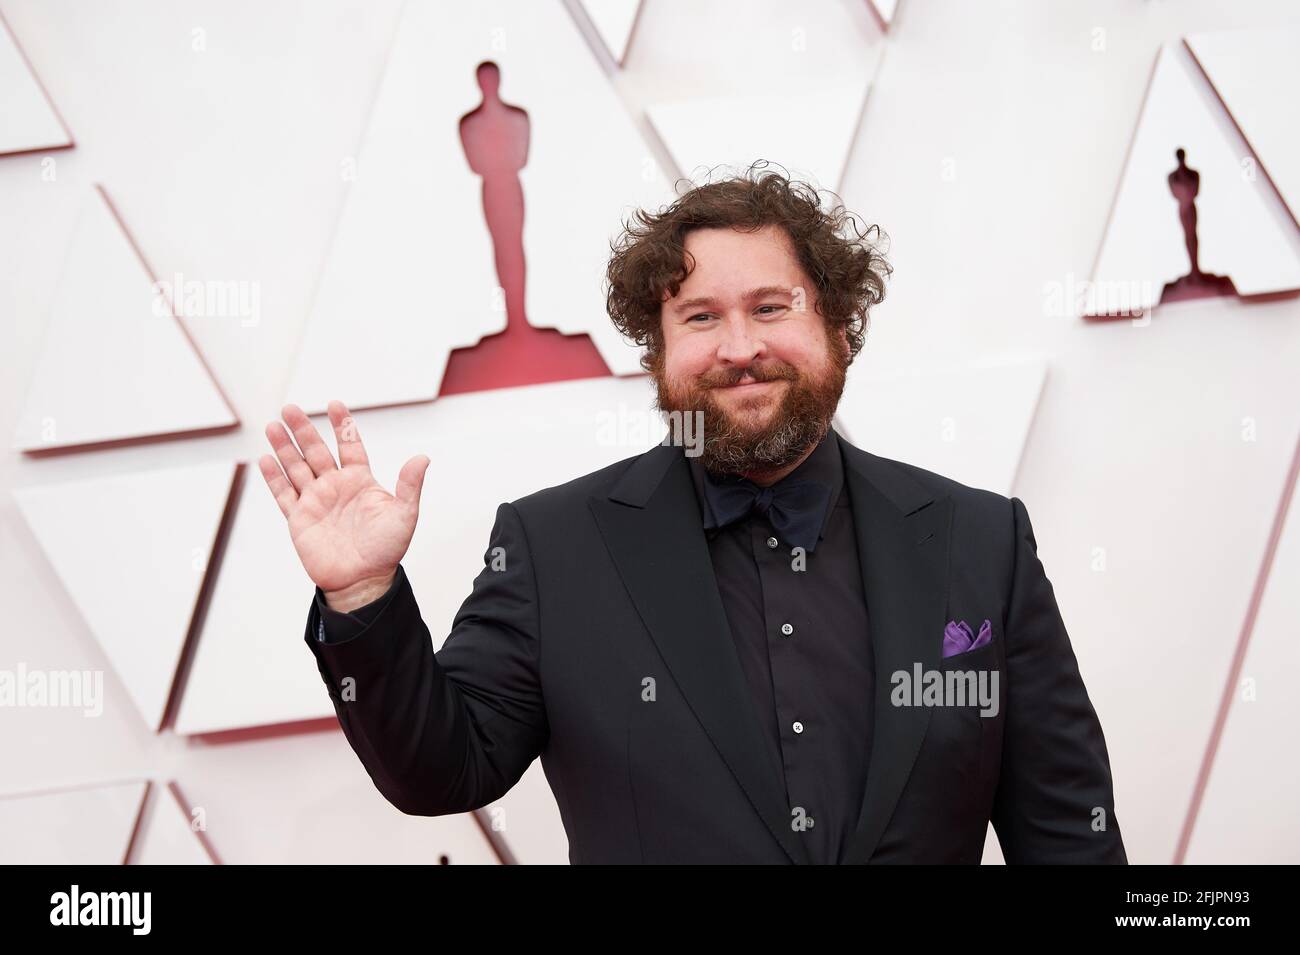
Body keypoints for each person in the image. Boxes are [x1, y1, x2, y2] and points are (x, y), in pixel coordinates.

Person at [259, 164, 1126, 864]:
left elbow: (1068, 837)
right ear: (660, 351)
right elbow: (441, 768)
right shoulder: (556, 547)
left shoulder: (980, 543)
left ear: (839, 328)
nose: (740, 347)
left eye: (771, 308)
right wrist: (364, 595)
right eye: (700, 316)